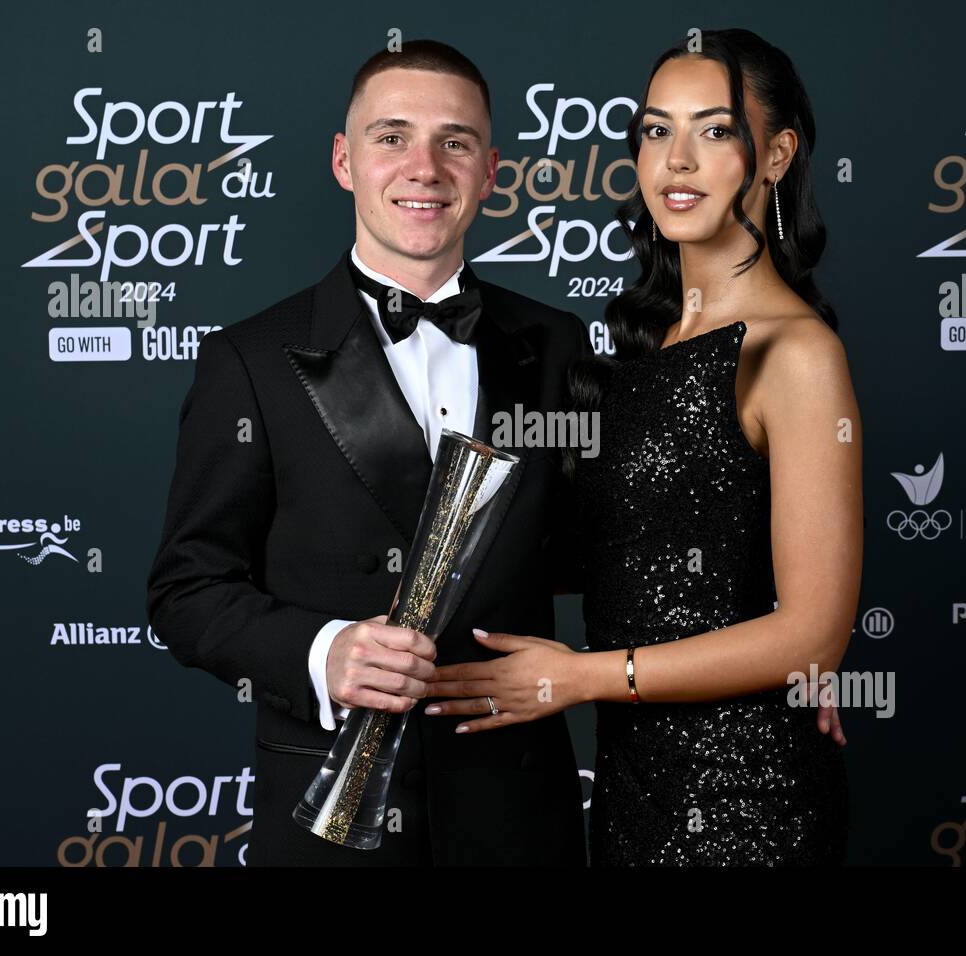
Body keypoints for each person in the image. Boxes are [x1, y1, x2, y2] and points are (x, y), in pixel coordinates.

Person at [146, 40, 594, 866]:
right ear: (344, 161)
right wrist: (324, 652)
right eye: (392, 137)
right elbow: (187, 590)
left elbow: (608, 552)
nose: (424, 166)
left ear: (491, 171)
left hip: (519, 811)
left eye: (454, 142)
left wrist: (769, 679)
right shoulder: (249, 360)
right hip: (330, 816)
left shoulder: (556, 343)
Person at [423, 29, 858, 865]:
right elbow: (618, 554)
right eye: (657, 131)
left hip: (746, 797)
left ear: (778, 155)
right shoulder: (636, 350)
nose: (678, 161)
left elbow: (812, 638)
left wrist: (581, 677)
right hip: (632, 786)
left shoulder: (793, 353)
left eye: (716, 130)